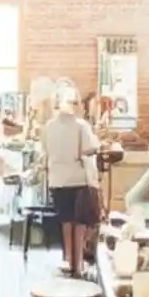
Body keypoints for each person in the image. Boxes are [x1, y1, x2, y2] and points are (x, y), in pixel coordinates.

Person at [43, 91, 99, 278]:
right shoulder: (81, 126)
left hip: (57, 180)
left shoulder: (49, 127)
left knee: (66, 221)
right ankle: (79, 264)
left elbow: (45, 151)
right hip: (77, 179)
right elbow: (89, 149)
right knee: (80, 223)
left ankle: (68, 259)